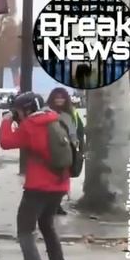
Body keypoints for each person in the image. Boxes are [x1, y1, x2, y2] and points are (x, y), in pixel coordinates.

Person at [0, 92, 70, 260]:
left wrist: (6, 121)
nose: (17, 115)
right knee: (47, 225)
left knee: (24, 228)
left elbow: (6, 142)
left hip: (38, 186)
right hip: (60, 184)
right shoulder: (55, 120)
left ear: (28, 109)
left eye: (19, 111)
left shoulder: (31, 126)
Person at [47, 87, 85, 215]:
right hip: (51, 151)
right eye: (56, 97)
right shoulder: (47, 112)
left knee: (64, 180)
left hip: (69, 151)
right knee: (51, 180)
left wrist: (79, 148)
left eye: (61, 97)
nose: (59, 100)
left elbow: (79, 130)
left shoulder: (72, 113)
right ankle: (52, 205)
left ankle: (56, 204)